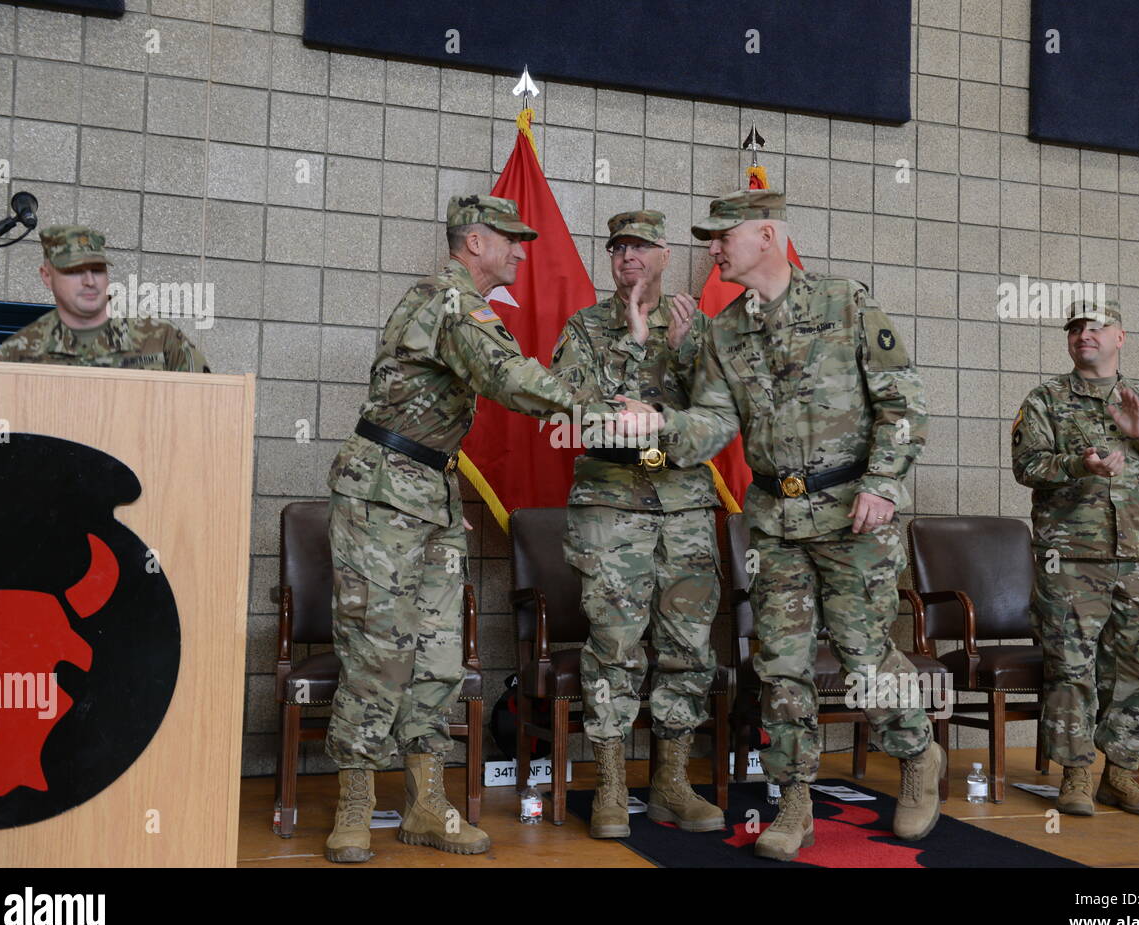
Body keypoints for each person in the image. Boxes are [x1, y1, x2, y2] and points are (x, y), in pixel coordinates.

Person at [620, 189, 942, 861]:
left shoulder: (845, 302)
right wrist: (661, 425)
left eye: (722, 236)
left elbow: (903, 400)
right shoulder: (725, 330)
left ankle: (916, 754)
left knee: (861, 654)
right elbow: (712, 420)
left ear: (766, 234)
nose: (711, 248)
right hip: (774, 521)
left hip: (854, 514)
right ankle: (793, 799)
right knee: (782, 666)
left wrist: (884, 481)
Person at [323, 194, 624, 863]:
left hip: (428, 488)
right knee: (377, 651)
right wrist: (602, 408)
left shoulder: (463, 303)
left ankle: (425, 803)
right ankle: (355, 803)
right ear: (476, 242)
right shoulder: (450, 300)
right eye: (511, 240)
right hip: (384, 492)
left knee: (436, 655)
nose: (522, 251)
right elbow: (508, 379)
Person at [550, 210, 724, 839]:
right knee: (615, 647)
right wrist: (629, 341)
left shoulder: (696, 326)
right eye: (618, 247)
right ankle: (611, 787)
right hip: (611, 505)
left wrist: (678, 353)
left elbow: (720, 416)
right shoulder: (587, 327)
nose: (627, 256)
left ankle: (672, 784)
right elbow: (564, 412)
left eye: (641, 246)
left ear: (664, 254)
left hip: (684, 506)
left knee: (687, 647)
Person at [1011, 299, 1139, 816]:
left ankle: (1122, 774)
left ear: (1121, 337)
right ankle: (1074, 776)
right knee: (1072, 668)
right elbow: (1026, 465)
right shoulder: (1045, 399)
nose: (1084, 336)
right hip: (1070, 557)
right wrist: (1079, 464)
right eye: (1076, 329)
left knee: (1137, 666)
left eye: (1098, 327)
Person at [0, 225, 209, 371]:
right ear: (47, 276)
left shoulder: (162, 337)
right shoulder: (20, 351)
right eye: (74, 271)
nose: (90, 281)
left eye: (97, 269)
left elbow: (209, 405)